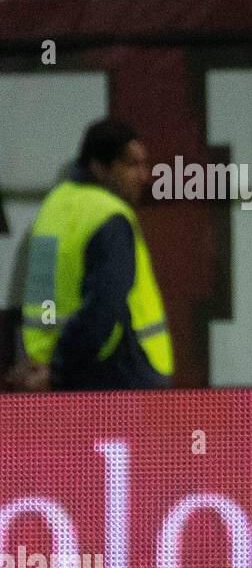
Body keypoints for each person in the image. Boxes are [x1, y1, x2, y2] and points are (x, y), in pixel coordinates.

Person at [13, 119, 172, 391]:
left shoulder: (54, 206)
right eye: (132, 165)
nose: (144, 176)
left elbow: (42, 295)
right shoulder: (110, 215)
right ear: (99, 167)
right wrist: (58, 371)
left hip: (51, 369)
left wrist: (45, 365)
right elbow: (103, 306)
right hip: (118, 374)